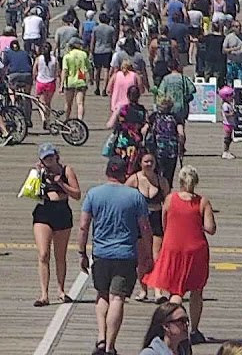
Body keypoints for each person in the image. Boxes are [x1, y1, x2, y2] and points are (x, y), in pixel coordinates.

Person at [79, 156, 153, 355]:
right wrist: (148, 254)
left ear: (107, 173)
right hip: (126, 254)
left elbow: (84, 226)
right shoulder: (135, 196)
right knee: (118, 298)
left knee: (102, 295)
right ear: (124, 173)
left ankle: (101, 338)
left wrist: (82, 253)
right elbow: (145, 228)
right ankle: (111, 346)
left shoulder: (94, 194)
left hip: (101, 254)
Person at [139, 165, 215, 344]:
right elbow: (211, 229)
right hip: (195, 249)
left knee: (176, 290)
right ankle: (194, 331)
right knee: (196, 290)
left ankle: (172, 326)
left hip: (173, 247)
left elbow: (164, 224)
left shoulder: (170, 199)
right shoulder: (202, 202)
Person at [32, 142, 81, 307]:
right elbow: (29, 191)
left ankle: (61, 290)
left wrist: (61, 183)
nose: (49, 160)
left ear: (56, 156)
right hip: (43, 211)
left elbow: (77, 194)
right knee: (43, 254)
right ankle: (44, 294)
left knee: (60, 255)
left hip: (62, 210)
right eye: (46, 158)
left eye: (51, 156)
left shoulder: (67, 170)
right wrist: (37, 175)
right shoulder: (39, 172)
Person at [126, 151, 171, 303]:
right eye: (146, 161)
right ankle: (143, 289)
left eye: (151, 161)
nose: (149, 164)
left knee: (156, 256)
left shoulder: (162, 181)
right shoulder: (134, 180)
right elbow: (124, 200)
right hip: (139, 220)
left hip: (156, 219)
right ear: (140, 163)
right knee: (142, 258)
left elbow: (167, 204)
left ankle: (157, 290)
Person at [61, 38, 90, 122]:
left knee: (68, 104)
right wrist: (91, 78)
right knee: (80, 103)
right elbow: (88, 68)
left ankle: (66, 120)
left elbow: (65, 71)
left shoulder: (67, 56)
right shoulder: (83, 54)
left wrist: (61, 84)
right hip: (81, 80)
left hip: (69, 82)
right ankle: (80, 121)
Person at [34, 42, 60, 130]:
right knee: (48, 103)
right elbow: (58, 72)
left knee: (41, 103)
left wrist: (34, 78)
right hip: (51, 82)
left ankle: (44, 118)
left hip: (41, 82)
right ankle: (47, 119)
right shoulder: (54, 59)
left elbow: (34, 70)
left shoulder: (38, 59)